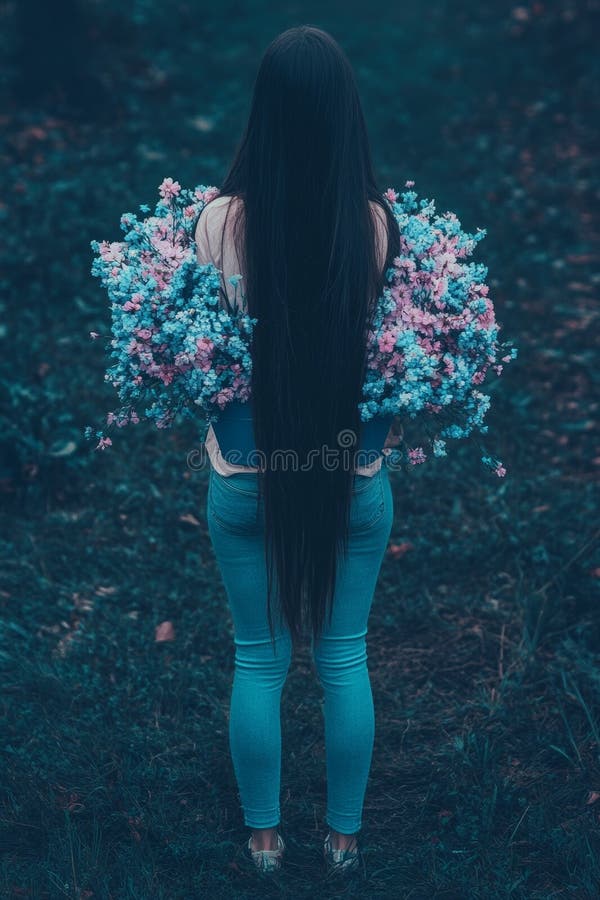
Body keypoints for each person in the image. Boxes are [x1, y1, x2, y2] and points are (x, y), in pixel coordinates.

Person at [194, 24, 401, 877]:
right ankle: (345, 839)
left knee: (259, 656)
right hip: (348, 473)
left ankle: (265, 838)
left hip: (246, 474)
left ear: (264, 117)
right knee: (343, 653)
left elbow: (203, 352)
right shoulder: (375, 227)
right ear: (348, 116)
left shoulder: (216, 224)